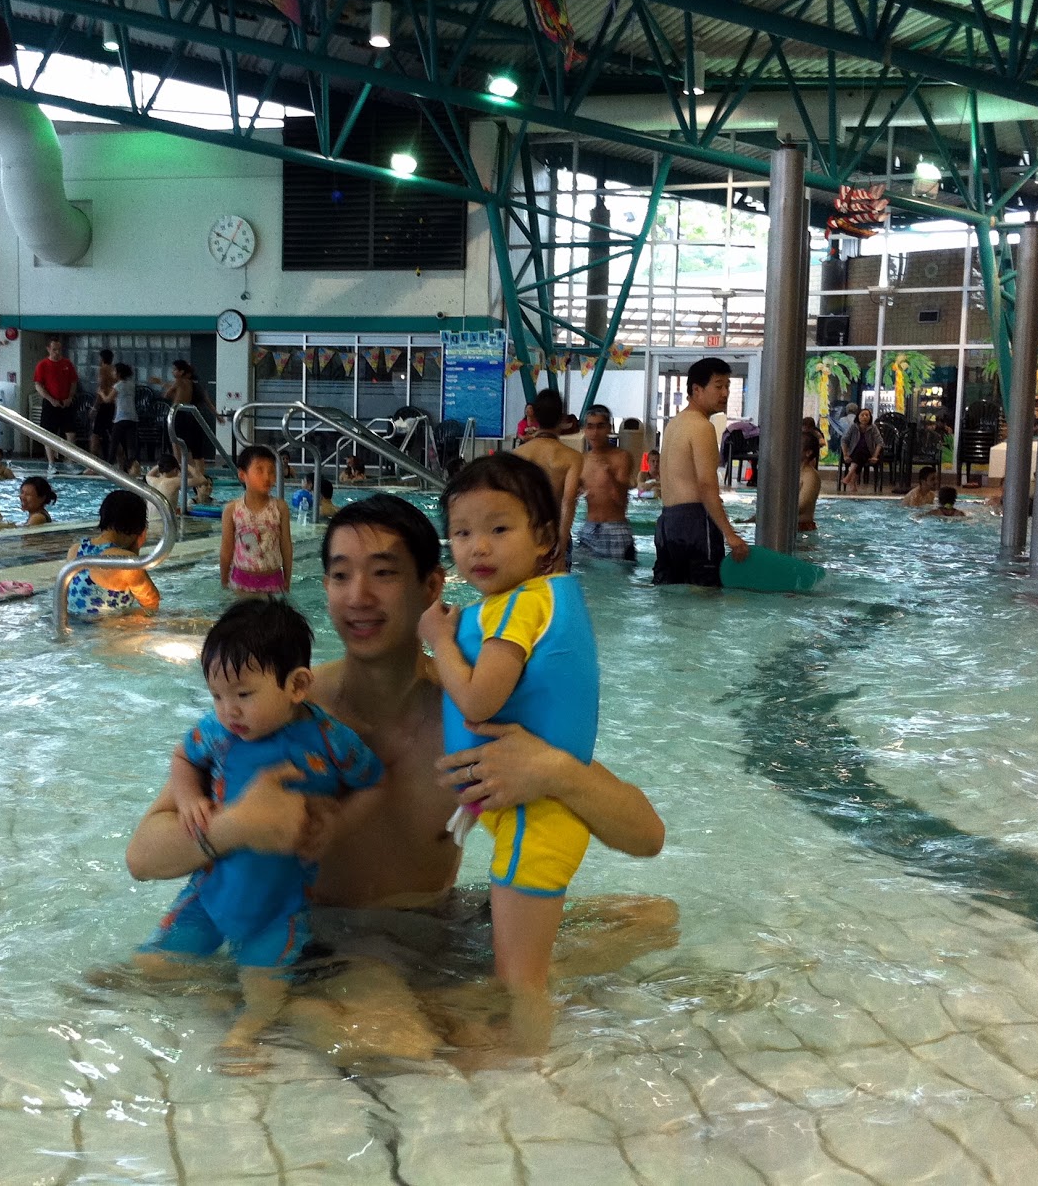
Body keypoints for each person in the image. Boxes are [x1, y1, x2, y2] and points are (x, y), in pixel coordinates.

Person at [125, 495, 668, 1061]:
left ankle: (438, 999)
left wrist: (555, 770)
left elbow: (646, 836)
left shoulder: (470, 717)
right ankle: (360, 1004)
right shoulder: (277, 713)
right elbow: (143, 857)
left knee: (651, 918)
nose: (358, 596)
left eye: (383, 574)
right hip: (324, 935)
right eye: (340, 576)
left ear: (432, 588)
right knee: (399, 1050)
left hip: (436, 923)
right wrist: (234, 826)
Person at [135, 598, 384, 1065]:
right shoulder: (219, 733)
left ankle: (241, 1037)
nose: (229, 710)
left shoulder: (331, 741)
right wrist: (188, 798)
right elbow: (183, 758)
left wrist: (338, 825)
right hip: (209, 893)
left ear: (297, 685)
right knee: (148, 970)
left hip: (280, 908)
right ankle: (211, 1002)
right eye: (217, 696)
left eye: (243, 694)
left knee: (264, 992)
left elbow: (372, 783)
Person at [417, 454, 599, 1050]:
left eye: (500, 528)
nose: (478, 547)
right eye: (463, 532)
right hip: (532, 809)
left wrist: (439, 640)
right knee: (523, 971)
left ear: (544, 536)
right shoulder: (517, 604)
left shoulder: (522, 606)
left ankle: (526, 1071)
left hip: (536, 819)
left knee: (520, 980)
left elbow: (476, 700)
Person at [654, 356, 749, 587]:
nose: (725, 393)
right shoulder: (702, 427)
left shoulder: (674, 424)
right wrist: (731, 535)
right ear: (697, 389)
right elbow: (706, 486)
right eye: (718, 386)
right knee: (705, 603)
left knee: (671, 602)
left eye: (727, 386)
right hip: (695, 525)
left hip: (667, 524)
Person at [513, 388, 583, 569]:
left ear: (534, 415)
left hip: (523, 537)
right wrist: (561, 540)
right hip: (554, 536)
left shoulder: (517, 455)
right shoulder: (572, 458)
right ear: (562, 418)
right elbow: (568, 501)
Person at [65, 490, 160, 620]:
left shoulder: (75, 550)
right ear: (138, 527)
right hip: (107, 631)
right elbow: (152, 604)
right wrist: (136, 547)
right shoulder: (125, 562)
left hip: (73, 624)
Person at [221, 445, 291, 596]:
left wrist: (287, 577)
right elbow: (227, 548)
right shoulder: (232, 510)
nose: (267, 476)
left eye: (271, 471)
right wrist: (224, 580)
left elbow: (286, 545)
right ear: (242, 475)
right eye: (259, 470)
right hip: (241, 581)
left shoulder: (280, 508)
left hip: (273, 579)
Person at [575, 405, 637, 563]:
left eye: (600, 426)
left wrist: (609, 474)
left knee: (618, 581)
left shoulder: (621, 457)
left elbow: (621, 500)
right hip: (589, 529)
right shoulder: (581, 461)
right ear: (584, 430)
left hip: (615, 529)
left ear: (609, 428)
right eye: (590, 426)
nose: (595, 433)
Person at [158, 359, 218, 470]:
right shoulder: (192, 384)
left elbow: (167, 395)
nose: (173, 372)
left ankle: (180, 470)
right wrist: (218, 416)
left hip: (176, 414)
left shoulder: (179, 381)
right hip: (188, 414)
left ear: (181, 372)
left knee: (176, 444)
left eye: (175, 370)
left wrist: (162, 385)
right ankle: (191, 471)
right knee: (186, 446)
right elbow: (206, 401)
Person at [33, 336, 80, 473]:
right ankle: (51, 464)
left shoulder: (67, 364)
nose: (57, 352)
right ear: (48, 349)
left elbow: (73, 382)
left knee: (70, 434)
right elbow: (38, 386)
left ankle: (70, 462)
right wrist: (50, 399)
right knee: (49, 434)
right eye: (54, 350)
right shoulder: (42, 365)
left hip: (66, 403)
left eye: (59, 349)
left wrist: (70, 397)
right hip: (50, 403)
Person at [841, 406, 884, 493]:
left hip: (868, 453)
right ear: (858, 417)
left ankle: (849, 477)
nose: (864, 417)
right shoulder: (853, 427)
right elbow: (844, 440)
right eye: (862, 415)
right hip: (853, 452)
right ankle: (852, 481)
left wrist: (875, 456)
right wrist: (845, 454)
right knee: (859, 455)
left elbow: (880, 442)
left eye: (867, 415)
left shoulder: (873, 428)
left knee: (861, 453)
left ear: (870, 417)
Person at [109, 362, 140, 469]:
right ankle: (131, 466)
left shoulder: (117, 386)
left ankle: (109, 464)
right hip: (132, 418)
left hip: (120, 419)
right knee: (130, 445)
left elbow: (108, 399)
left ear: (118, 374)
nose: (112, 373)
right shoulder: (131, 385)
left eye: (114, 371)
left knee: (114, 442)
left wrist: (101, 393)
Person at [92, 349, 119, 461]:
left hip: (104, 405)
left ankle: (93, 462)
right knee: (113, 435)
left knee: (95, 435)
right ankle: (119, 462)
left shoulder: (103, 370)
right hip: (114, 405)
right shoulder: (115, 371)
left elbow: (101, 389)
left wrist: (94, 407)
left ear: (101, 359)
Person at [798, 429, 822, 533]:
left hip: (803, 529)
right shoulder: (793, 474)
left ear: (808, 452)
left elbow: (802, 506)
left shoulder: (810, 476)